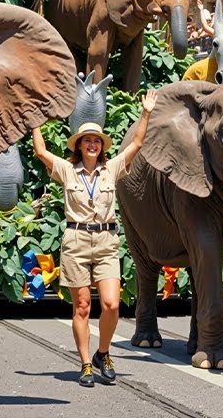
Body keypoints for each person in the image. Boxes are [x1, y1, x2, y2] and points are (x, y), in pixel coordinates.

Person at [30, 90, 156, 388]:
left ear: (101, 147)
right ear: (79, 145)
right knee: (83, 306)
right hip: (75, 241)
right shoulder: (67, 169)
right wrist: (34, 120)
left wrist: (146, 112)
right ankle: (86, 363)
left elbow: (136, 144)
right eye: (87, 140)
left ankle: (103, 353)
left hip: (106, 241)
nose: (92, 144)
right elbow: (41, 152)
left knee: (111, 304)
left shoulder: (112, 169)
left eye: (96, 141)